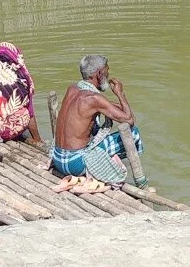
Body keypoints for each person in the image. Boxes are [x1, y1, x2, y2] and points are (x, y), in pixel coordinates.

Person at [50, 54, 142, 185]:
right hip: (74, 164)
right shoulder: (94, 99)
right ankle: (112, 167)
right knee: (134, 134)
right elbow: (129, 120)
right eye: (107, 70)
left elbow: (102, 103)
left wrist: (114, 105)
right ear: (100, 73)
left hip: (58, 158)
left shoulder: (72, 89)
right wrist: (121, 94)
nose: (108, 74)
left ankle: (106, 161)